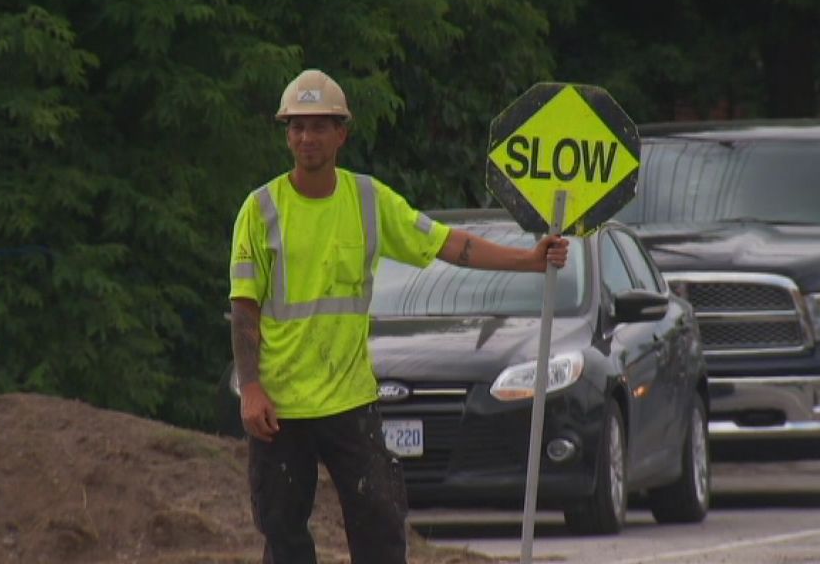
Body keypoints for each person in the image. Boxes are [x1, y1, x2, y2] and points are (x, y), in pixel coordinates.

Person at [228, 68, 568, 564]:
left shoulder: (368, 200)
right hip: (282, 409)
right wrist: (252, 387)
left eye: (319, 126)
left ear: (341, 133)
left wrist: (528, 260)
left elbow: (449, 244)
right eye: (297, 126)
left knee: (381, 531)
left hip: (350, 402)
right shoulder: (259, 210)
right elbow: (244, 307)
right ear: (287, 134)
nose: (307, 137)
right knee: (283, 536)